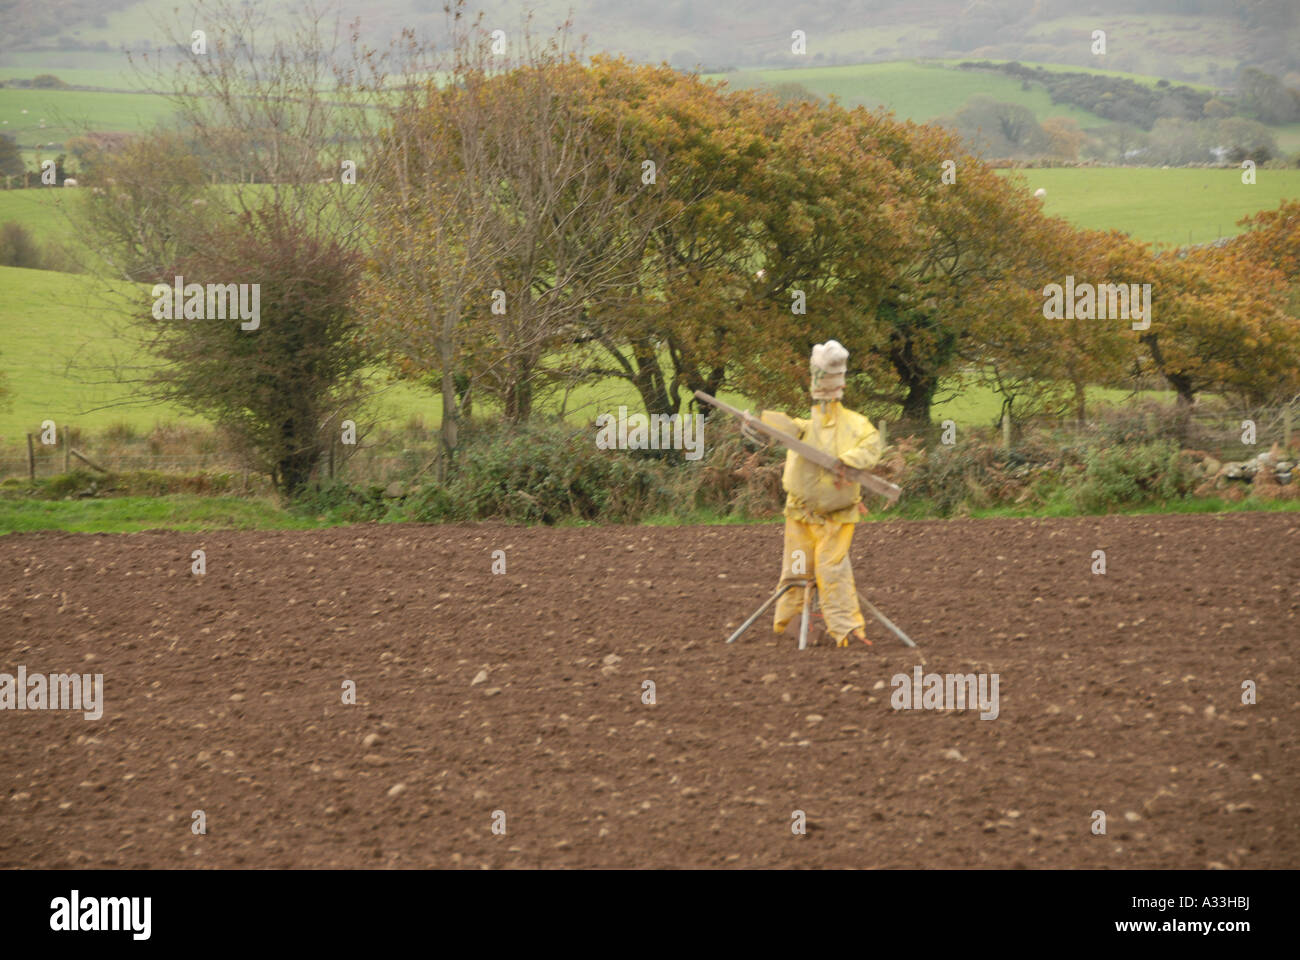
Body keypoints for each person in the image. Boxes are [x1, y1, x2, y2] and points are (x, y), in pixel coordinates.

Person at [753, 340, 883, 647]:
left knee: (832, 570)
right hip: (800, 515)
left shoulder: (857, 425)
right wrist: (761, 422)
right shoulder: (805, 426)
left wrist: (847, 462)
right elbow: (789, 427)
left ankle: (846, 629)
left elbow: (870, 447)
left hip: (837, 518)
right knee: (797, 570)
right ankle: (795, 624)